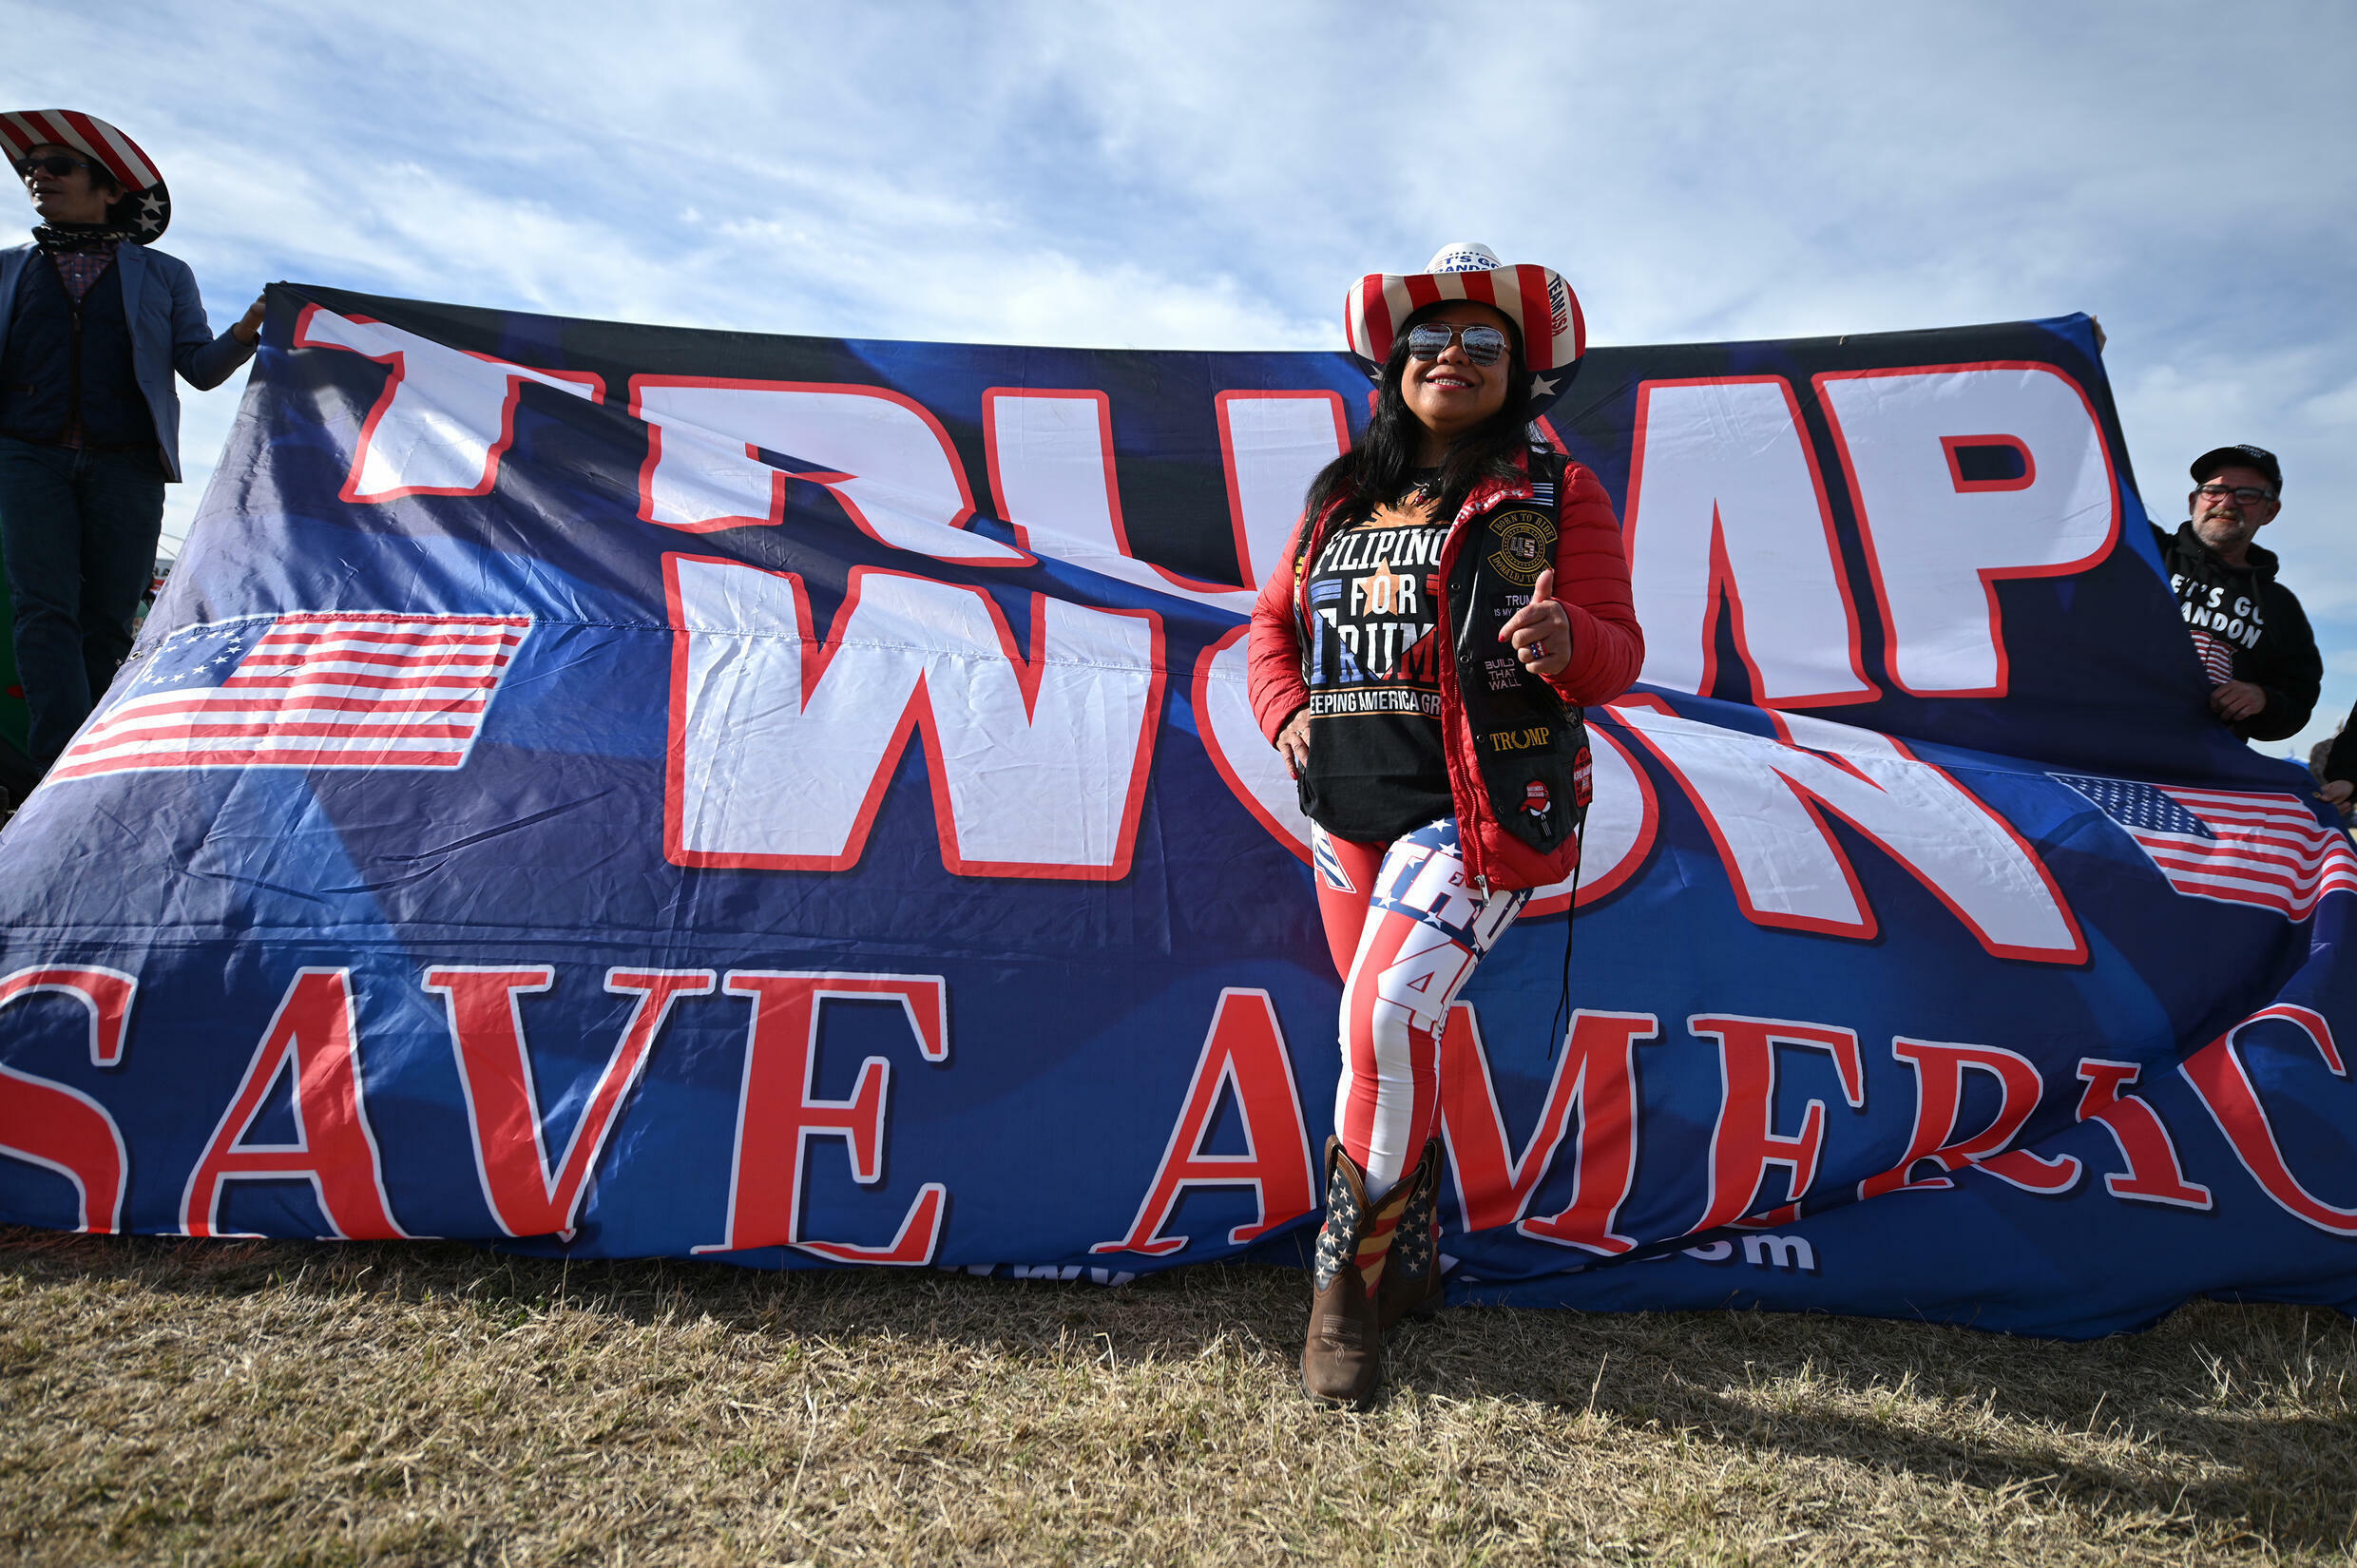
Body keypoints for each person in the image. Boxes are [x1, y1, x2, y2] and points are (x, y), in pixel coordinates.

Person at [1247, 243, 1643, 1406]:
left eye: (1483, 343)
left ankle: (1344, 1293)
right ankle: (1412, 1260)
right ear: (1396, 362)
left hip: (1478, 808)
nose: (1452, 356)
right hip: (1346, 809)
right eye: (1430, 337)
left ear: (1517, 374)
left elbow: (1618, 652)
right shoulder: (1338, 494)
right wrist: (1283, 712)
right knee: (1390, 1037)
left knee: (1377, 1020)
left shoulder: (1556, 491)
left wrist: (1568, 642)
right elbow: (1267, 628)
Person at [0, 110, 262, 773]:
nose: (38, 176)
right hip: (27, 455)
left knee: (111, 619)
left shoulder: (165, 274)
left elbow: (200, 369)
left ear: (112, 188)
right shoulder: (6, 269)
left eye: (58, 166)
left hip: (128, 464)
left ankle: (96, 763)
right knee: (43, 609)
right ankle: (54, 770)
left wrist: (247, 331)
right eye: (31, 168)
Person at [2152, 444, 2318, 745]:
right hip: (2101, 745)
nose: (2227, 502)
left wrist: (2263, 699)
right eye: (2214, 491)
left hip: (2202, 764)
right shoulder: (2142, 550)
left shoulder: (2281, 606)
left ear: (2270, 511)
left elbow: (2298, 700)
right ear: (2193, 501)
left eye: (2247, 494)